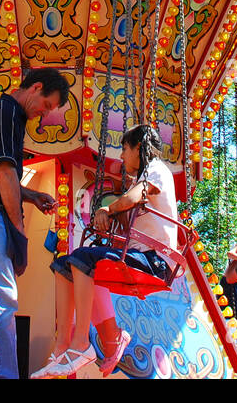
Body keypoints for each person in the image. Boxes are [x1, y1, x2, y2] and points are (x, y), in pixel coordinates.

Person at [34, 124, 179, 378]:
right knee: (64, 265)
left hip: (156, 260)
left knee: (83, 260)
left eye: (124, 149)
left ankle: (82, 343)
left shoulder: (157, 171)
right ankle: (62, 347)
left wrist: (108, 210)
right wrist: (116, 217)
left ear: (139, 148)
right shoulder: (141, 178)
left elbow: (135, 197)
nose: (121, 156)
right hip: (141, 255)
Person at [0, 68, 67, 378]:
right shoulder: (8, 113)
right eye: (46, 106)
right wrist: (19, 229)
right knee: (2, 301)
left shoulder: (3, 114)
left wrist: (31, 195)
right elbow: (5, 174)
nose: (42, 114)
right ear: (35, 88)